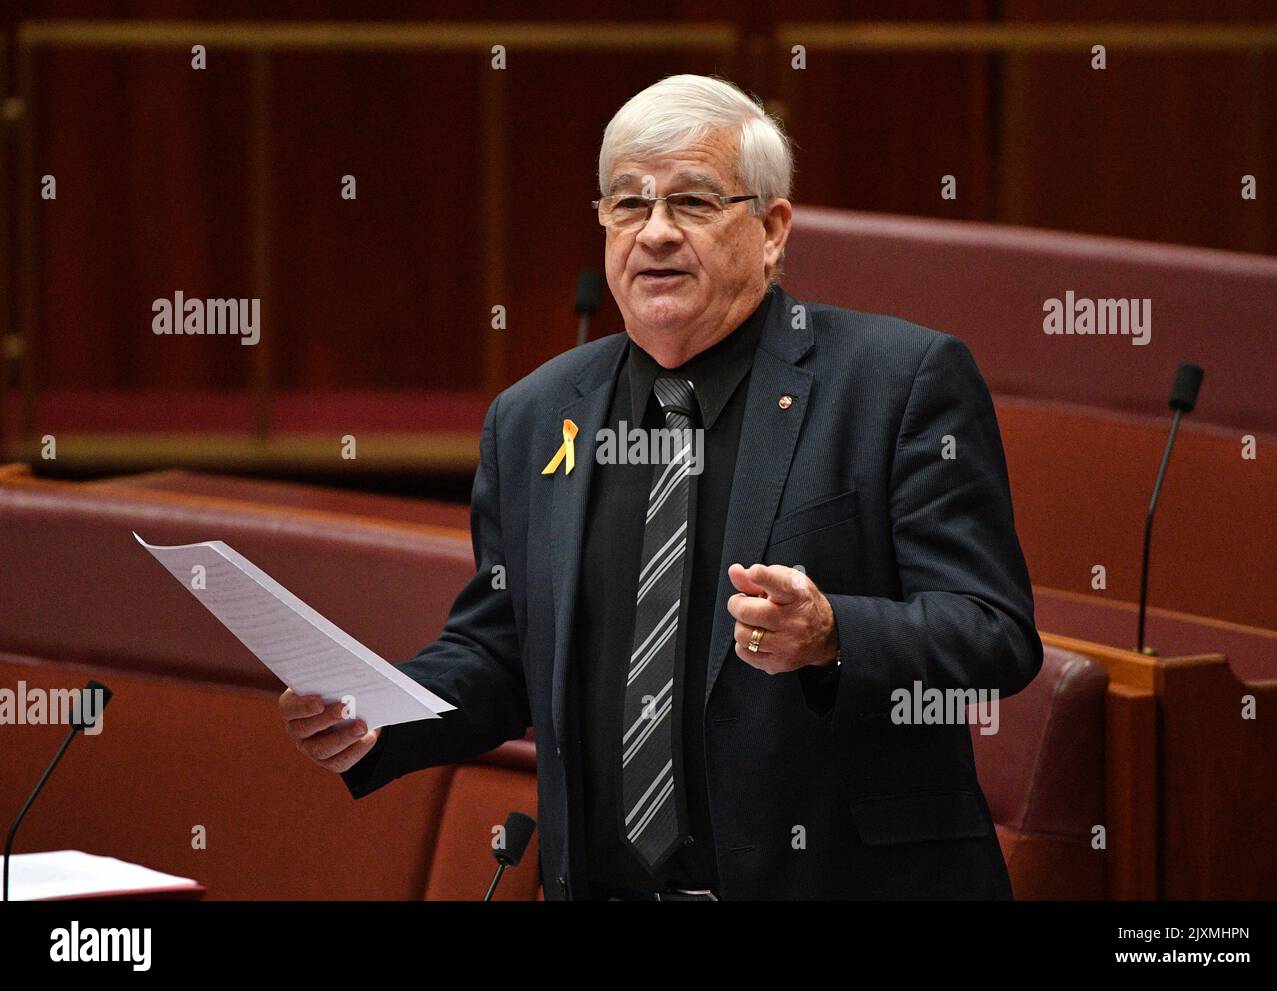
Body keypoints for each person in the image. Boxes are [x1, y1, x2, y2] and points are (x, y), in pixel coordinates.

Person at [280, 73, 1042, 900]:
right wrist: (378, 711)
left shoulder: (898, 383)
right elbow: (501, 651)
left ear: (772, 228)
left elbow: (992, 636)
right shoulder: (535, 418)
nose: (656, 234)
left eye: (693, 202)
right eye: (628, 205)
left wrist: (831, 631)